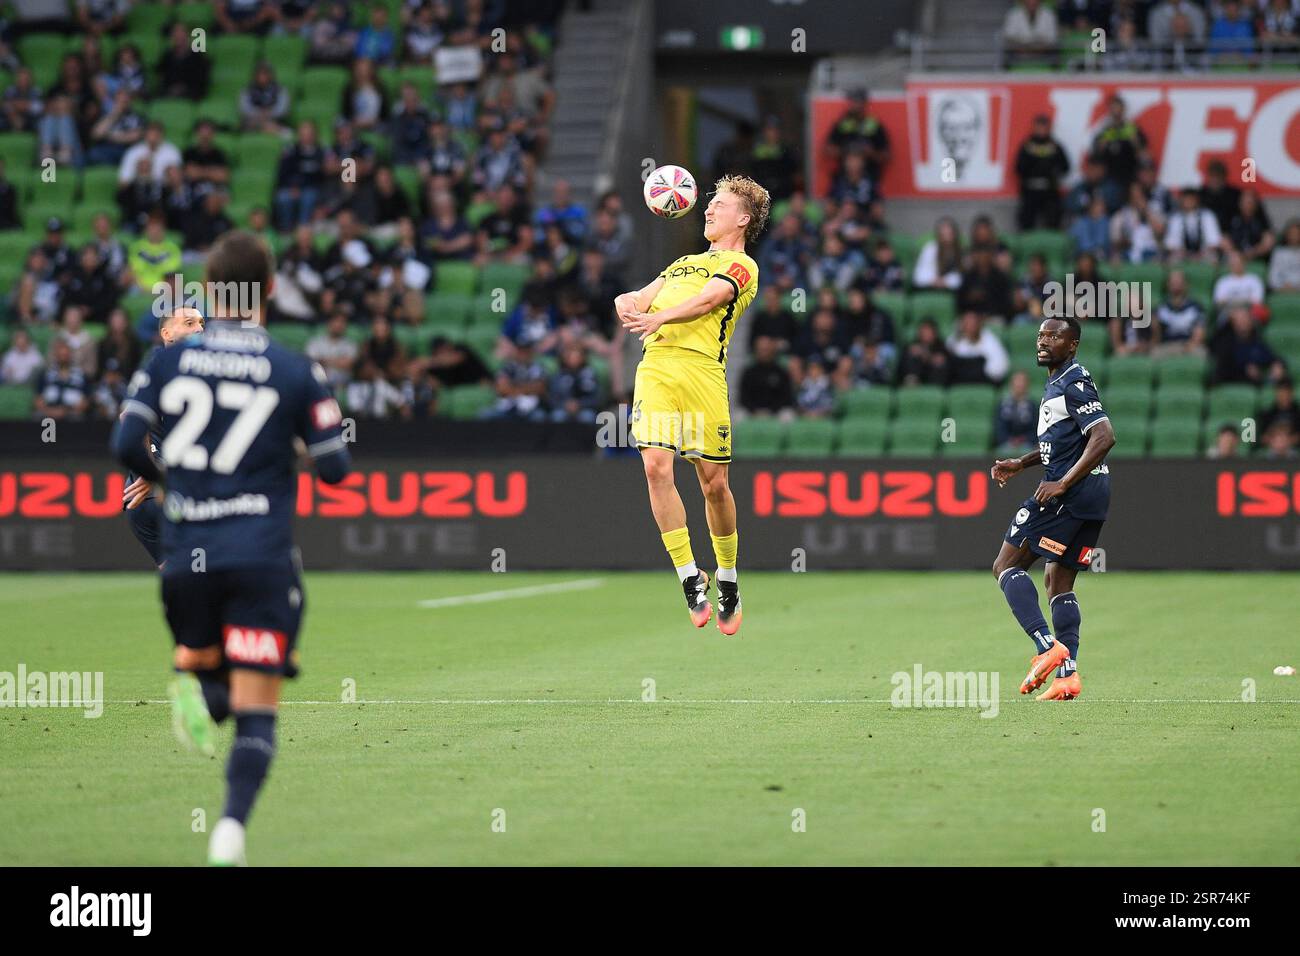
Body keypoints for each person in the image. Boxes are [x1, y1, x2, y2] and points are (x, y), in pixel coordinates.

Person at [110, 231, 352, 866]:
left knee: (213, 667)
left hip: (187, 558)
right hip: (262, 561)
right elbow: (336, 469)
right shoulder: (296, 367)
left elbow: (125, 445)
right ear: (267, 290)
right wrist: (285, 449)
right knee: (255, 710)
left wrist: (169, 480)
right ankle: (228, 835)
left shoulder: (164, 365)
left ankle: (194, 675)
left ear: (213, 292)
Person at [617, 175, 769, 637]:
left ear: (742, 218)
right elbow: (641, 297)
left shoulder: (744, 266)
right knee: (655, 468)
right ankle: (689, 577)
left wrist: (657, 315)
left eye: (719, 205)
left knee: (714, 485)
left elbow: (711, 299)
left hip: (703, 372)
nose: (708, 210)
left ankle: (727, 578)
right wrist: (627, 302)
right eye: (708, 203)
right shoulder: (681, 263)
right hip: (658, 367)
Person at [990, 316, 1116, 702]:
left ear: (1073, 344)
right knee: (1058, 582)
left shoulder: (1073, 382)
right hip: (1094, 496)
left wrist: (1062, 483)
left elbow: (1104, 435)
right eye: (1041, 335)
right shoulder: (1060, 381)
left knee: (1006, 566)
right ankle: (1068, 675)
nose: (1043, 342)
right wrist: (1022, 463)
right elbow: (1064, 442)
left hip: (1070, 494)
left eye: (1054, 336)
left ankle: (1047, 646)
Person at [119, 307, 206, 569]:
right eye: (189, 323)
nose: (199, 329)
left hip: (153, 494)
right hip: (165, 492)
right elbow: (127, 418)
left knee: (188, 587)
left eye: (201, 323)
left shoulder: (195, 367)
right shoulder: (161, 365)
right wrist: (153, 468)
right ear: (167, 333)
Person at [1014, 114, 1069, 230]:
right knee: (1026, 218)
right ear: (1034, 127)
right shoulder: (1026, 147)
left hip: (1049, 189)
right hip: (1030, 189)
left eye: (1044, 127)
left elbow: (1065, 167)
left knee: (1054, 216)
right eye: (1039, 127)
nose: (1041, 130)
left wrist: (1052, 171)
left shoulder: (1055, 147)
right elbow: (1018, 168)